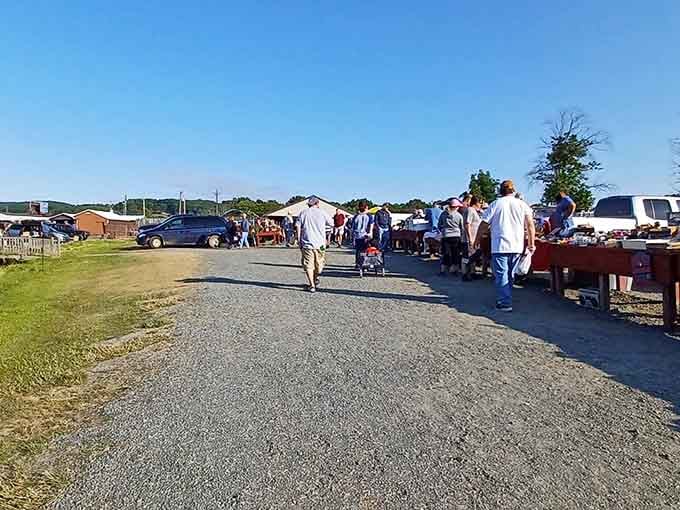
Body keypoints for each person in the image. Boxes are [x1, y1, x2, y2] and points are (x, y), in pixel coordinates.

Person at [475, 180, 535, 312]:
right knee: (510, 274)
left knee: (501, 275)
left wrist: (477, 239)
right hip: (517, 245)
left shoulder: (496, 204)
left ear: (500, 191)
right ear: (514, 190)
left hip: (500, 245)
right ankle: (506, 296)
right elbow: (530, 225)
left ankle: (504, 302)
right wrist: (531, 243)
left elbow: (484, 224)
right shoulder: (522, 205)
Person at [296, 197, 333, 293]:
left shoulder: (303, 213)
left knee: (308, 265)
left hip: (307, 242)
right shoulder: (322, 212)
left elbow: (298, 226)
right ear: (317, 203)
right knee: (319, 264)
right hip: (320, 244)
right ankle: (313, 282)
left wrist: (299, 239)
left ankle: (312, 283)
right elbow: (332, 223)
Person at [437, 198, 464, 276]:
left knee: (445, 253)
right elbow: (461, 227)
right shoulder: (459, 216)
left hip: (446, 235)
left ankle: (443, 271)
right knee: (456, 253)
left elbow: (439, 225)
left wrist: (443, 230)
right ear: (456, 207)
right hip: (456, 236)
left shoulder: (443, 214)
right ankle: (454, 270)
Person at [462, 195, 483, 281]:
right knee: (468, 257)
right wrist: (470, 238)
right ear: (476, 203)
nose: (481, 205)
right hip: (470, 238)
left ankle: (472, 272)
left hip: (474, 238)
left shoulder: (474, 211)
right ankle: (465, 274)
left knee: (473, 256)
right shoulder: (470, 210)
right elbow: (467, 224)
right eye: (480, 203)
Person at [352, 202, 373, 267]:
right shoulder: (369, 215)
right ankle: (365, 264)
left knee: (358, 250)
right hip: (366, 235)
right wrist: (370, 233)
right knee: (365, 250)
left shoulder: (356, 216)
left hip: (358, 235)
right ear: (366, 207)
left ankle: (358, 263)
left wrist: (353, 236)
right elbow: (371, 225)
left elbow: (353, 226)